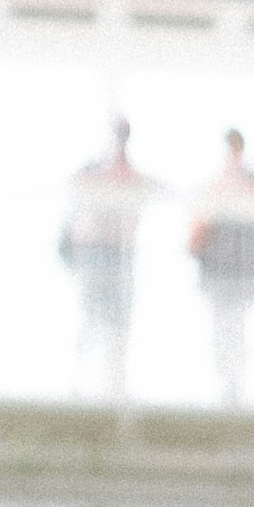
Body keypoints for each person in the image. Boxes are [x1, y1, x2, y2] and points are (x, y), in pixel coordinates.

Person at [59, 118, 159, 399]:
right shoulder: (92, 171)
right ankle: (78, 385)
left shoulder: (131, 174)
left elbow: (153, 189)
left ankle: (115, 386)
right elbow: (74, 194)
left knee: (118, 326)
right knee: (90, 321)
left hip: (120, 258)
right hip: (95, 257)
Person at [186, 130, 254, 407]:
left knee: (236, 329)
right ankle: (225, 387)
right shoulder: (216, 184)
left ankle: (235, 387)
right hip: (220, 269)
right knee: (223, 329)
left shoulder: (251, 180)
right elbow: (199, 228)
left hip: (241, 270)